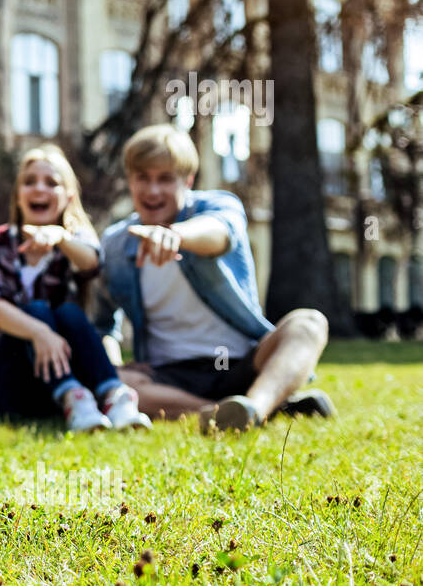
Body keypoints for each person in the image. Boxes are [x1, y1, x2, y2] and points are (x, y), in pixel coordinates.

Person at [94, 124, 334, 432]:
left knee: (309, 323)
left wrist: (176, 236)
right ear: (130, 180)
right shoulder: (115, 244)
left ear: (188, 180)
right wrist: (111, 366)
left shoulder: (218, 206)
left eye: (165, 179)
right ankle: (239, 411)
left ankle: (255, 407)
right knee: (107, 378)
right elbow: (102, 325)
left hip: (241, 363)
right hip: (167, 377)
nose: (153, 191)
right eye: (143, 178)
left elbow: (221, 232)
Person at [0, 145, 152, 432]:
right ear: (18, 195)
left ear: (69, 197)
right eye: (29, 182)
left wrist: (60, 238)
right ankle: (72, 396)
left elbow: (92, 262)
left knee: (68, 312)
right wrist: (41, 333)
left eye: (51, 183)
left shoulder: (73, 244)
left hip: (46, 382)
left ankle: (113, 396)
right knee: (38, 309)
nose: (39, 188)